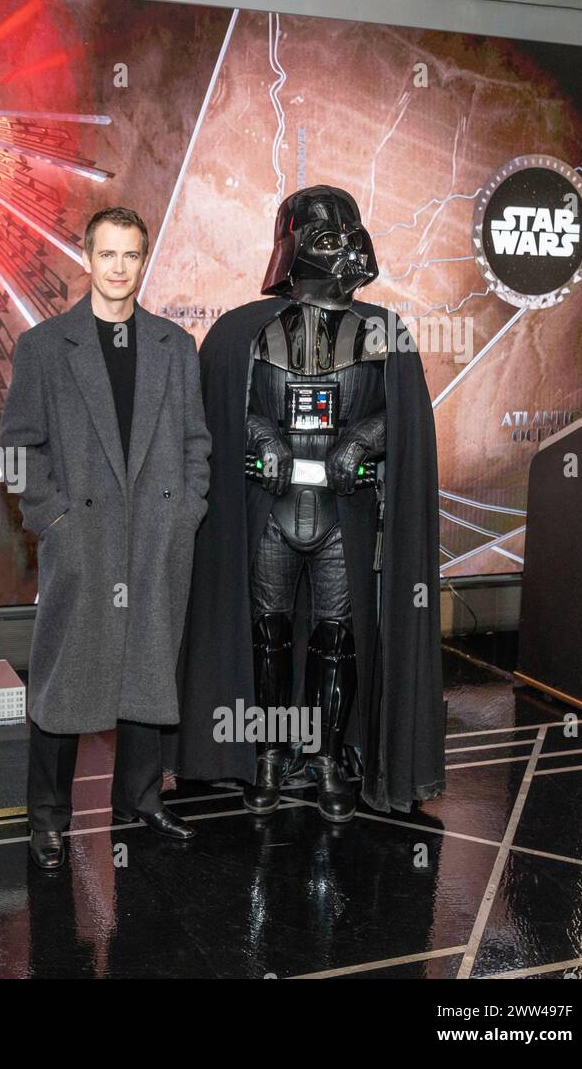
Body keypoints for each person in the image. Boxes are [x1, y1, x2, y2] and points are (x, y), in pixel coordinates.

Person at [172, 186, 444, 821]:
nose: (342, 251)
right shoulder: (243, 334)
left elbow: (399, 421)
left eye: (349, 236)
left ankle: (325, 755)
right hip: (272, 508)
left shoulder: (382, 333)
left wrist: (363, 441)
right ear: (292, 249)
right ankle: (267, 752)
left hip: (341, 515)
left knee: (336, 636)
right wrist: (263, 436)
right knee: (268, 633)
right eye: (325, 239)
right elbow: (224, 416)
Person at [0, 207, 211, 870]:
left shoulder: (176, 347)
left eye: (131, 256)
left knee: (149, 667)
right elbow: (18, 449)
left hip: (156, 533)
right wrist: (53, 520)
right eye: (108, 254)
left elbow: (196, 441)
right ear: (85, 258)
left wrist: (187, 511)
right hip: (81, 538)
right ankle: (48, 818)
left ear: (144, 261)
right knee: (65, 683)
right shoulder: (44, 346)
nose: (119, 268)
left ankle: (140, 799)